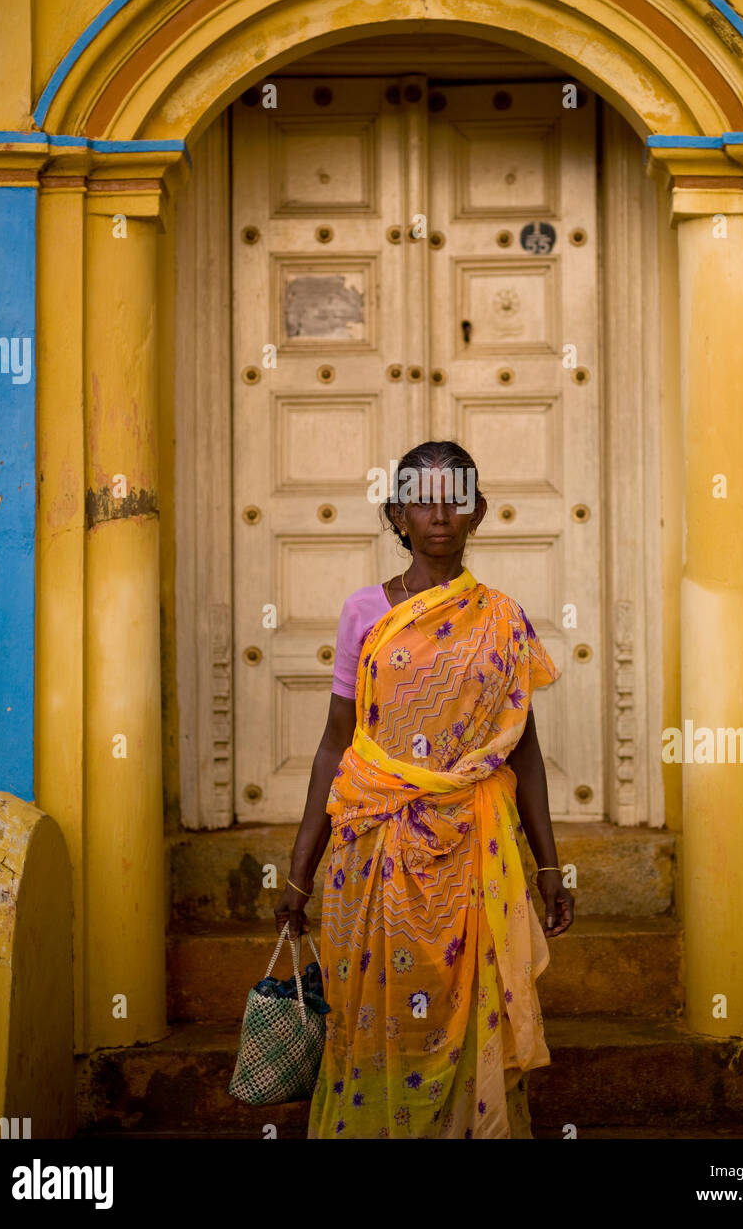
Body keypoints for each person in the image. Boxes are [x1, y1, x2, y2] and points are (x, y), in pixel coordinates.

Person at [275, 440, 573, 1138]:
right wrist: (297, 875)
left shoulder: (501, 619)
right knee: (375, 1012)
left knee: (468, 1009)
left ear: (477, 513)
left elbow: (521, 749)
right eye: (422, 499)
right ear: (397, 515)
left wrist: (549, 865)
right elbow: (334, 743)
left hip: (475, 848)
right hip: (372, 849)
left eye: (454, 499)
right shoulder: (362, 613)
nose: (439, 513)